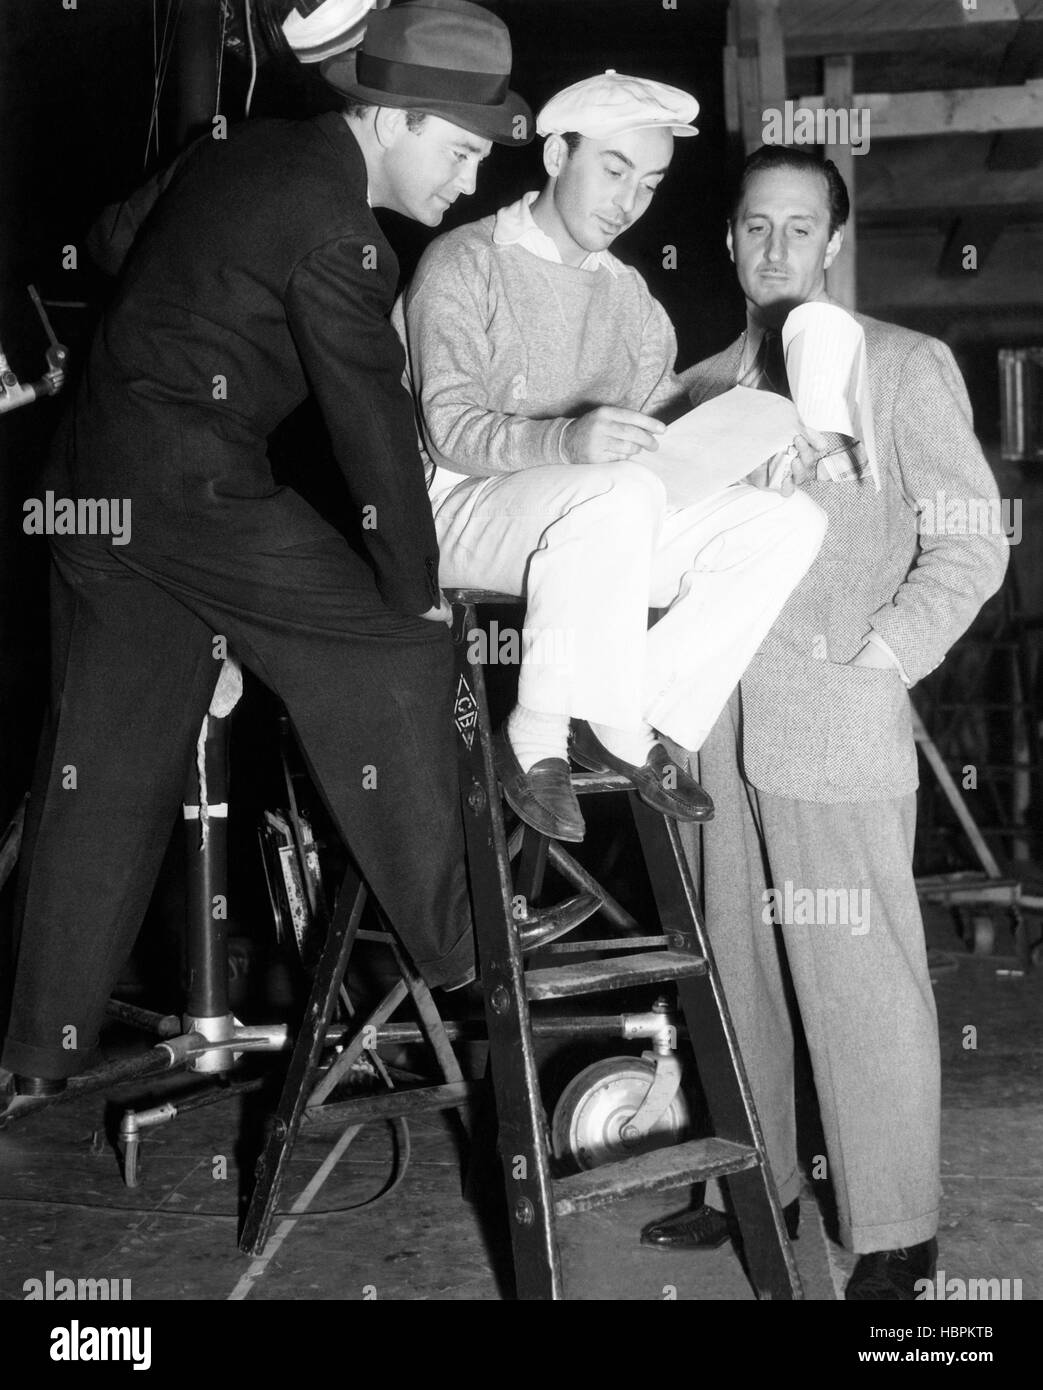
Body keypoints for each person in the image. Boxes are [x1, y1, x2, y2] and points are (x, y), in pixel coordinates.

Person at [0, 0, 531, 1109]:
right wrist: (416, 591)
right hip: (192, 485)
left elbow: (106, 243)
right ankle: (460, 947)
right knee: (396, 651)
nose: (470, 179)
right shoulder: (346, 234)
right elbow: (371, 432)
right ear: (388, 116)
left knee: (100, 771)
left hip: (89, 490)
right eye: (462, 147)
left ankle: (36, 1048)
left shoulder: (234, 150)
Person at [640, 145, 1009, 1301]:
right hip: (707, 735)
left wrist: (882, 657)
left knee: (859, 981)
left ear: (833, 242)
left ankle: (894, 1230)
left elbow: (970, 540)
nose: (774, 249)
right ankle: (752, 1187)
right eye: (755, 227)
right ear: (730, 241)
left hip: (835, 724)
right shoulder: (697, 389)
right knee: (729, 969)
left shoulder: (901, 367)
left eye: (799, 228)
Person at [395, 71, 827, 845]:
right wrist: (566, 440)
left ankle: (628, 716)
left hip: (595, 526)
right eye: (614, 169)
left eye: (650, 183)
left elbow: (663, 429)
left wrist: (742, 459)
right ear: (558, 154)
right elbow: (448, 429)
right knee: (618, 490)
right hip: (456, 512)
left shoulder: (629, 297)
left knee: (785, 520)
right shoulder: (463, 263)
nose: (629, 202)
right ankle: (532, 736)